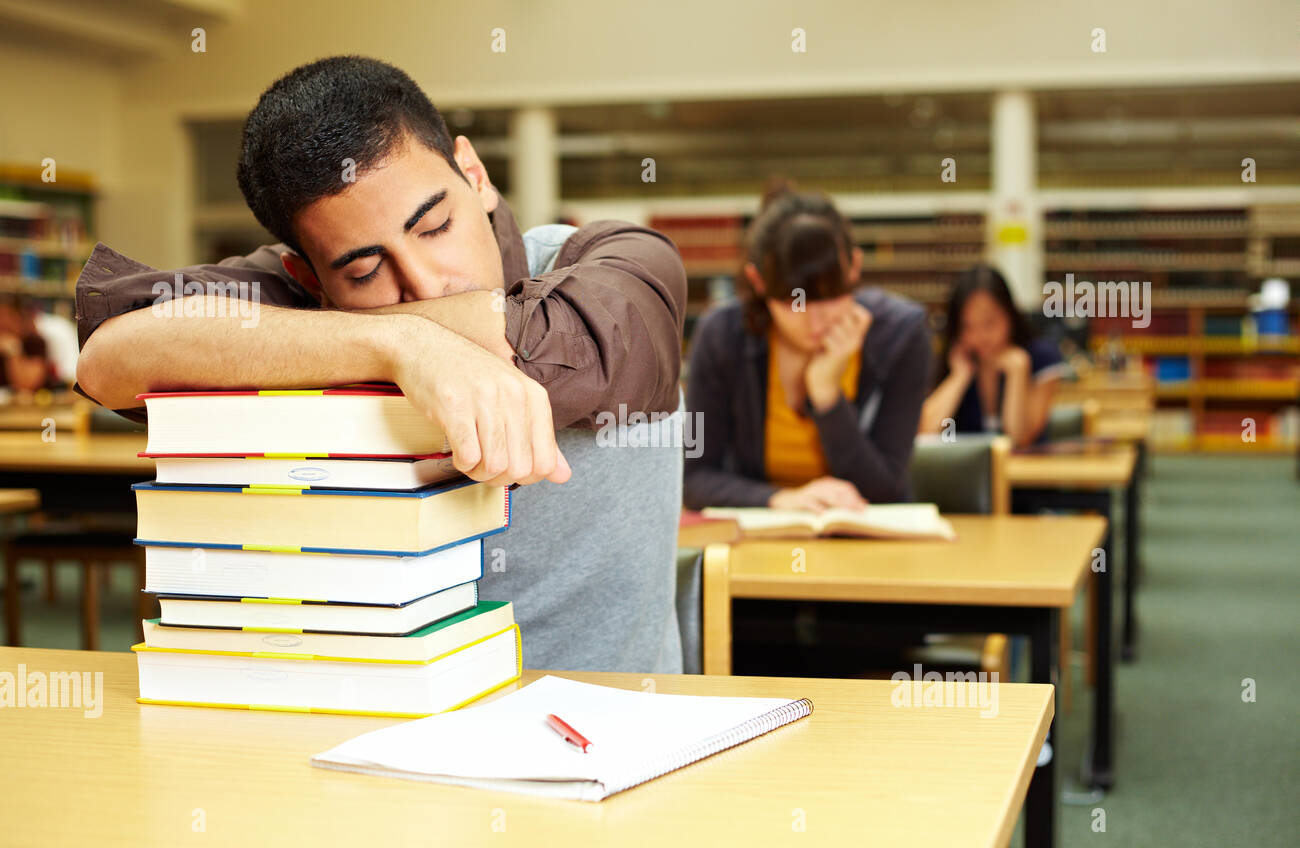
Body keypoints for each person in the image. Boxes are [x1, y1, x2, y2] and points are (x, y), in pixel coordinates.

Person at [73, 56, 687, 672]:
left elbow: (568, 336)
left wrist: (343, 336)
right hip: (373, 720)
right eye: (366, 271)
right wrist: (396, 347)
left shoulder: (616, 260)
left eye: (436, 226)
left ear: (474, 174)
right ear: (307, 277)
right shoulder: (306, 288)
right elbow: (109, 356)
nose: (423, 285)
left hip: (613, 728)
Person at [684, 183, 933, 512]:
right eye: (792, 301)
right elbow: (694, 477)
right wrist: (780, 499)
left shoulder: (901, 334)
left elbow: (885, 488)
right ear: (758, 282)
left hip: (870, 540)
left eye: (829, 296)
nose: (814, 320)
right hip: (760, 542)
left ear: (854, 267)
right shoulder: (721, 336)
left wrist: (827, 397)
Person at [919, 264, 1068, 448]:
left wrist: (1018, 372)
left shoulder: (1041, 357)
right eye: (968, 326)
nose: (980, 337)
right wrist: (959, 377)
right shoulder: (954, 361)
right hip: (966, 475)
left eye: (989, 323)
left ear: (1010, 315)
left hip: (1026, 474)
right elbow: (924, 434)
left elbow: (1019, 440)